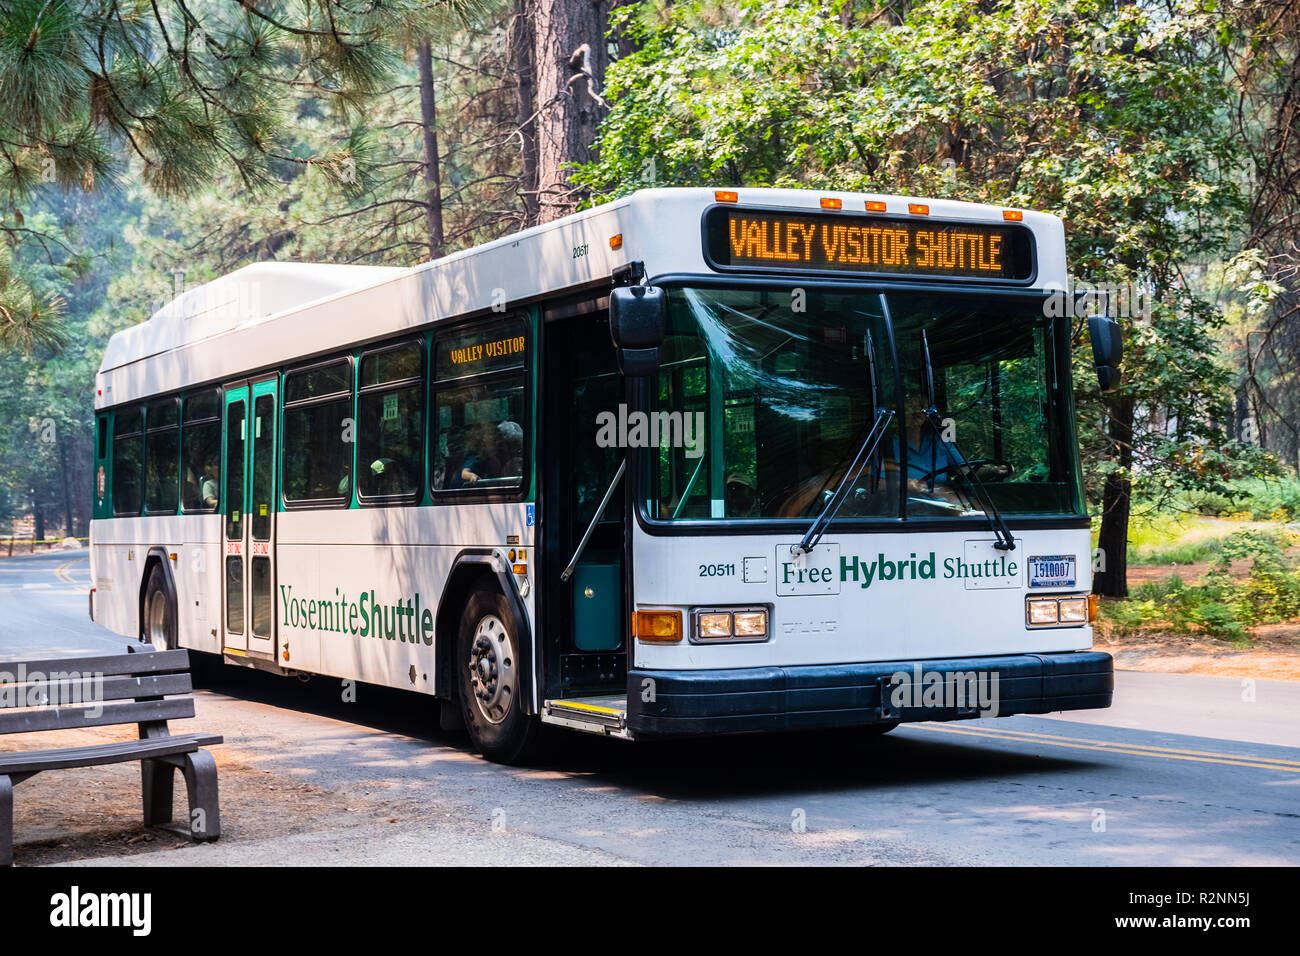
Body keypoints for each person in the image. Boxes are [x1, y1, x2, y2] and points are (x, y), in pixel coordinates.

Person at [458, 420, 523, 486]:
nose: (497, 446)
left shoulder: (500, 458)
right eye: (494, 442)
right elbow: (465, 473)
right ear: (483, 443)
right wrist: (472, 476)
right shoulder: (476, 457)